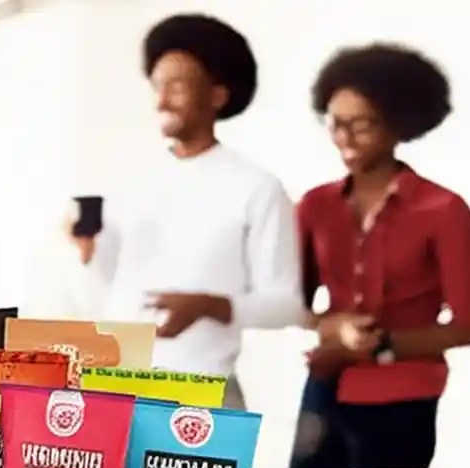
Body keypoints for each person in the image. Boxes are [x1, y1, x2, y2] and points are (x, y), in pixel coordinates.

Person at [66, 14, 305, 409]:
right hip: (119, 386)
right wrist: (88, 248)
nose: (161, 101)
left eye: (176, 87)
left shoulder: (258, 187)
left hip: (205, 392)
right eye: (158, 87)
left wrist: (208, 305)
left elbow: (286, 306)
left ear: (217, 95)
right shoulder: (131, 180)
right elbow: (114, 285)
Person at [288, 43, 470, 468]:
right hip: (324, 385)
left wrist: (379, 346)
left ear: (398, 126)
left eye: (362, 125)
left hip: (404, 395)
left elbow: (468, 325)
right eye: (335, 123)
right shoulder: (315, 206)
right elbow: (291, 301)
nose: (345, 138)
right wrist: (331, 328)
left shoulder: (444, 210)